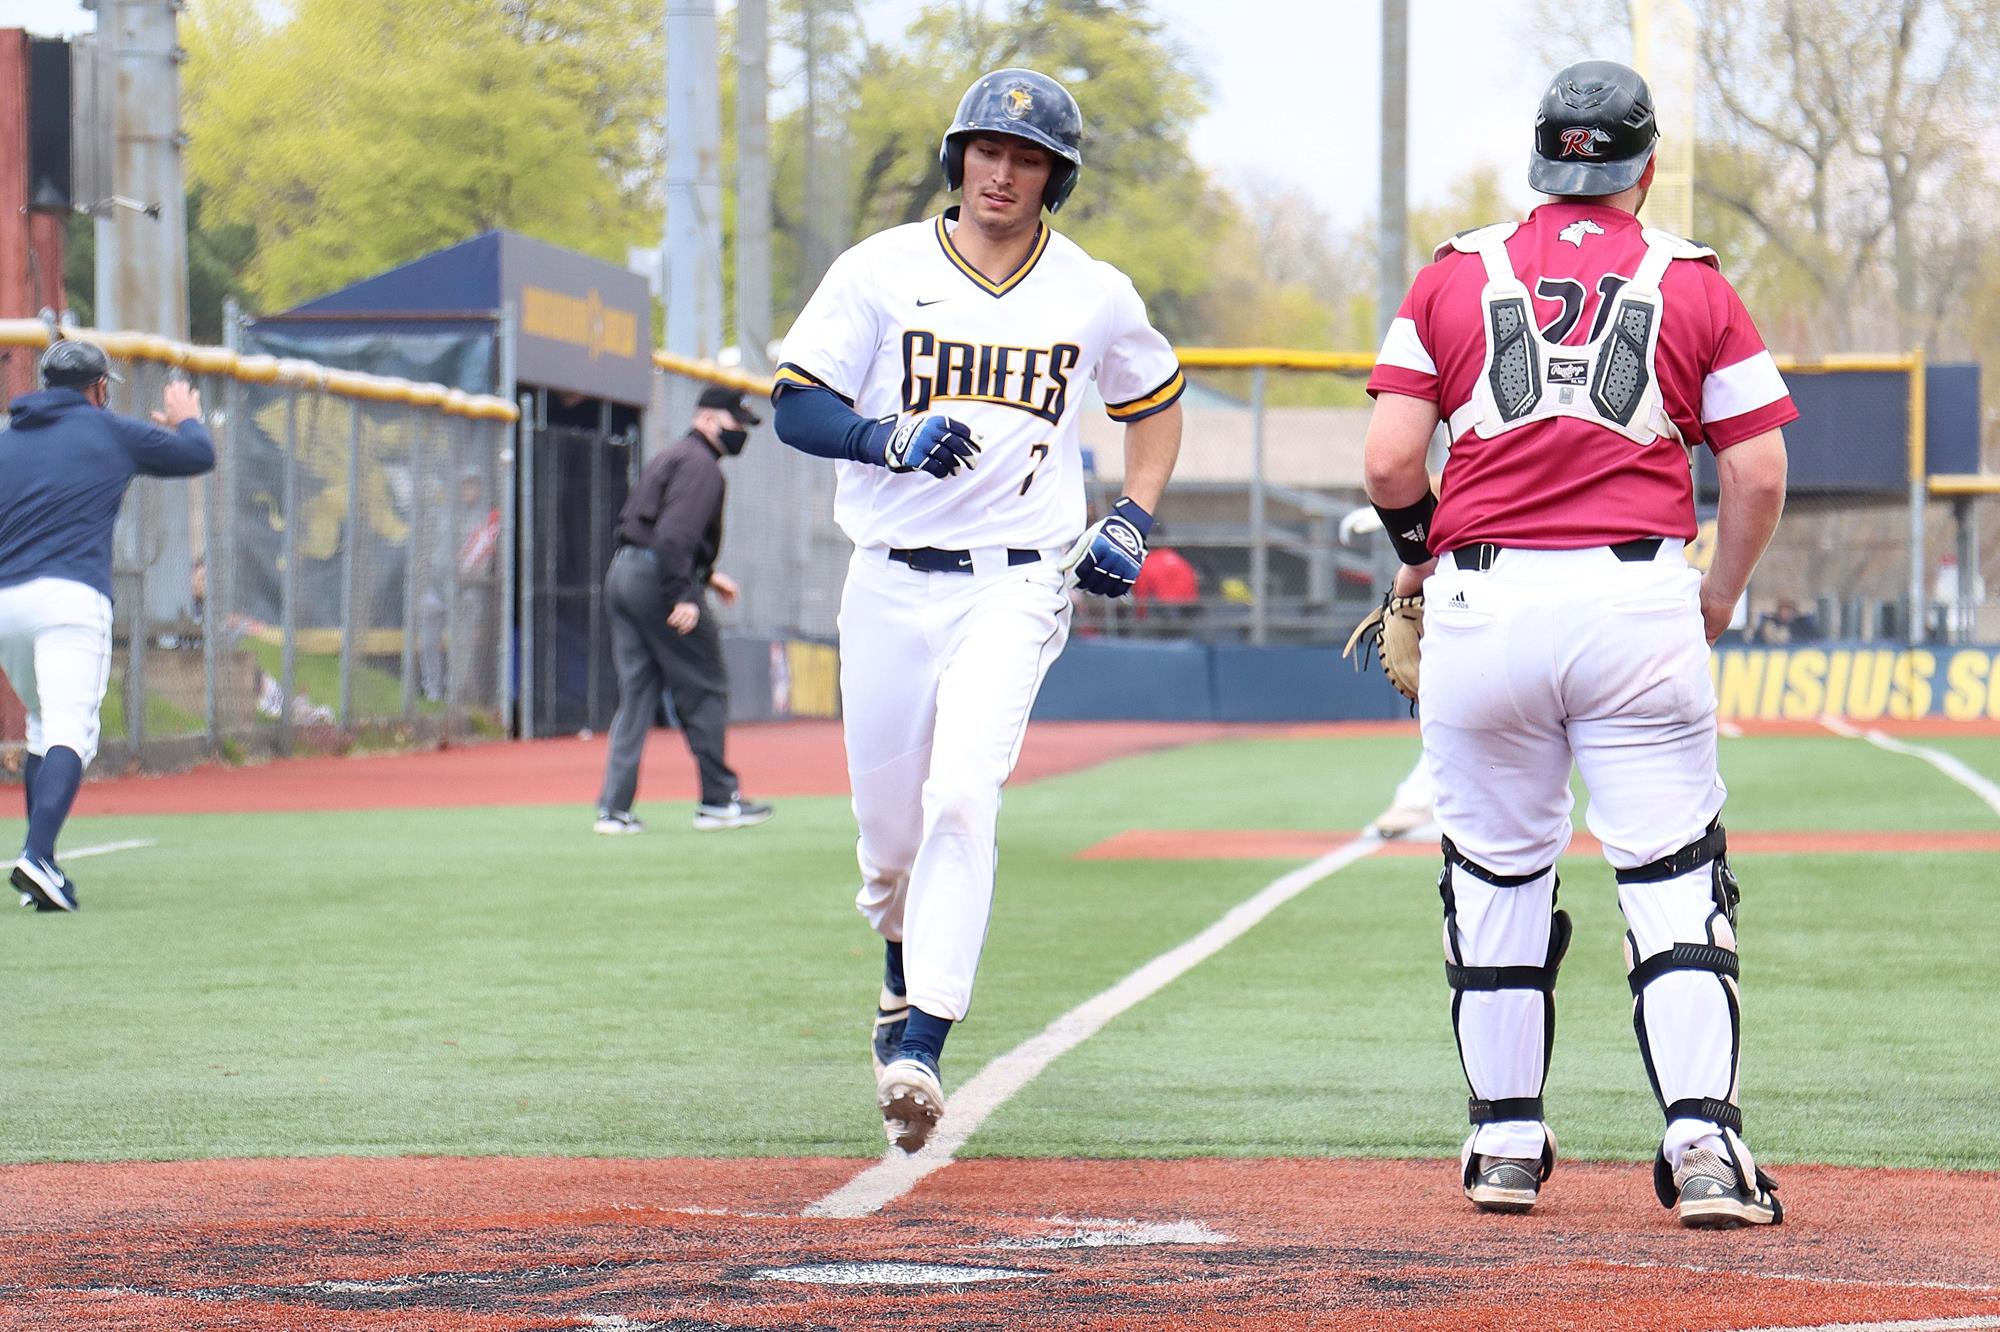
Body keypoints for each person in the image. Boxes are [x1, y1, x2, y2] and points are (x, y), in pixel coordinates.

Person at [1362, 60, 1793, 1227]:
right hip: (1632, 599)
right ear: (1643, 168)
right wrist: (1722, 592)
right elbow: (1753, 468)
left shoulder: (1455, 273)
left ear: (1540, 164)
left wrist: (1416, 549)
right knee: (1667, 875)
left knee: (1495, 876)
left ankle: (1503, 1143)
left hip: (1482, 604)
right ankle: (1702, 1150)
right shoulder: (1689, 280)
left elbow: (1391, 461)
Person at [771, 67, 1184, 1153]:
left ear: (1056, 177)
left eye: (1028, 157)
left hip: (1018, 576)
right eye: (987, 151)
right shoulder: (882, 269)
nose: (1003, 172)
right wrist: (880, 437)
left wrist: (1133, 515)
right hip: (888, 577)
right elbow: (795, 404)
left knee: (962, 792)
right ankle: (899, 964)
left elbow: (1154, 400)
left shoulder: (1089, 289)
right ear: (957, 160)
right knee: (886, 838)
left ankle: (922, 1043)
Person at [1, 340, 216, 912]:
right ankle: (39, 858)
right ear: (99, 389)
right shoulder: (111, 430)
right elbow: (198, 455)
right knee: (73, 726)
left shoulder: (7, 438)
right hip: (71, 597)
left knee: (45, 724)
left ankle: (40, 865)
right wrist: (187, 417)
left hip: (6, 603)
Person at [592, 385, 773, 835]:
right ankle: (717, 800)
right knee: (705, 685)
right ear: (709, 420)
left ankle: (613, 810)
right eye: (736, 424)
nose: (741, 434)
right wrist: (684, 595)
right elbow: (674, 537)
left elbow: (645, 526)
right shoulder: (702, 468)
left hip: (625, 574)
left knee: (637, 693)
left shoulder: (672, 456)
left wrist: (707, 576)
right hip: (659, 582)